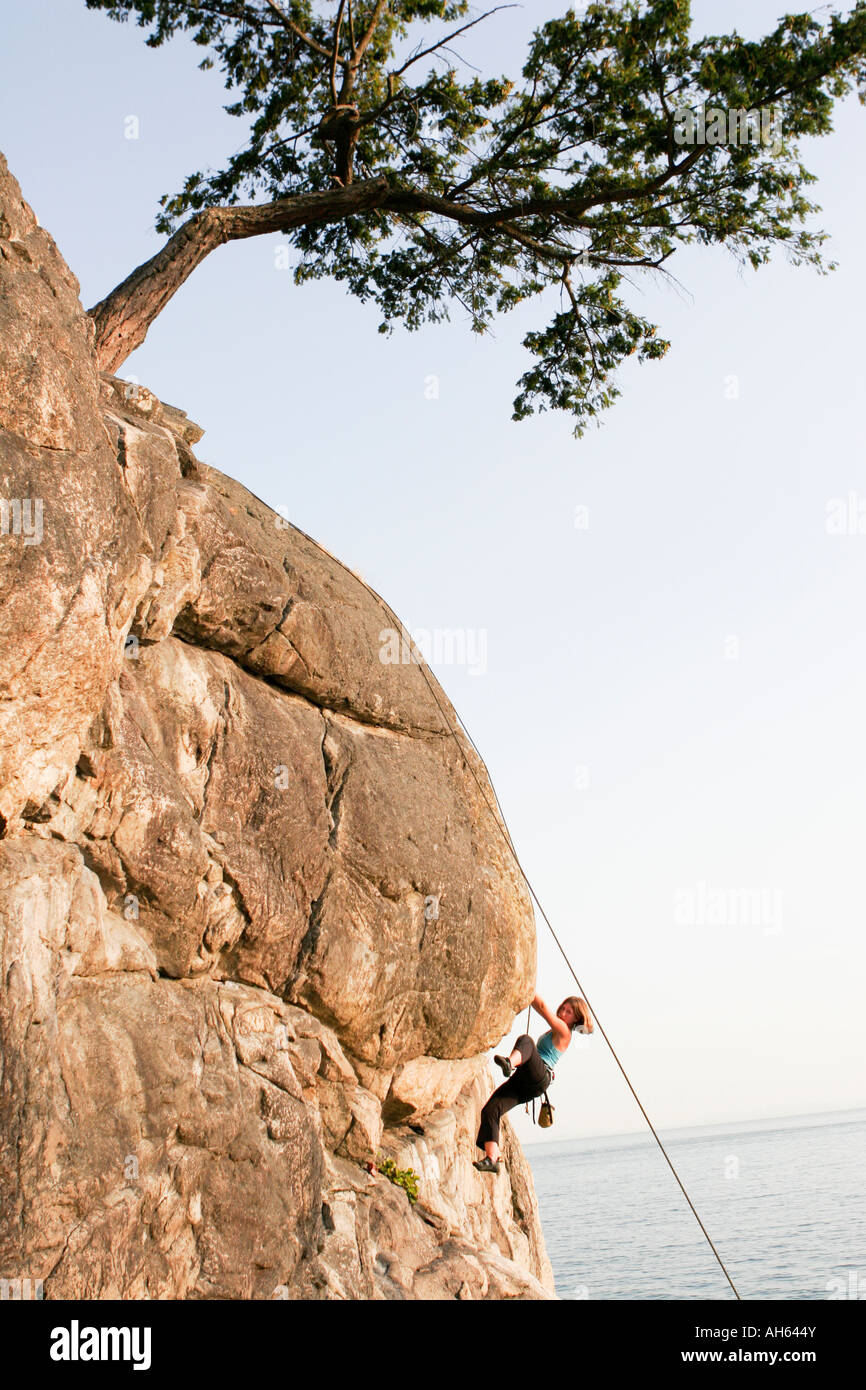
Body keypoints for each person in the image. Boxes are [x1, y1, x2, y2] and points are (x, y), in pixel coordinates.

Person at [473, 991, 593, 1174]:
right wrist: (528, 995)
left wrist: (528, 989)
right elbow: (540, 1007)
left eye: (568, 1012)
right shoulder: (557, 1029)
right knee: (491, 1109)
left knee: (526, 1041)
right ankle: (492, 1158)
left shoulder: (564, 1031)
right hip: (529, 1081)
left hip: (539, 1074)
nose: (563, 1012)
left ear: (576, 1019)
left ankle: (509, 1063)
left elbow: (544, 1009)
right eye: (563, 1008)